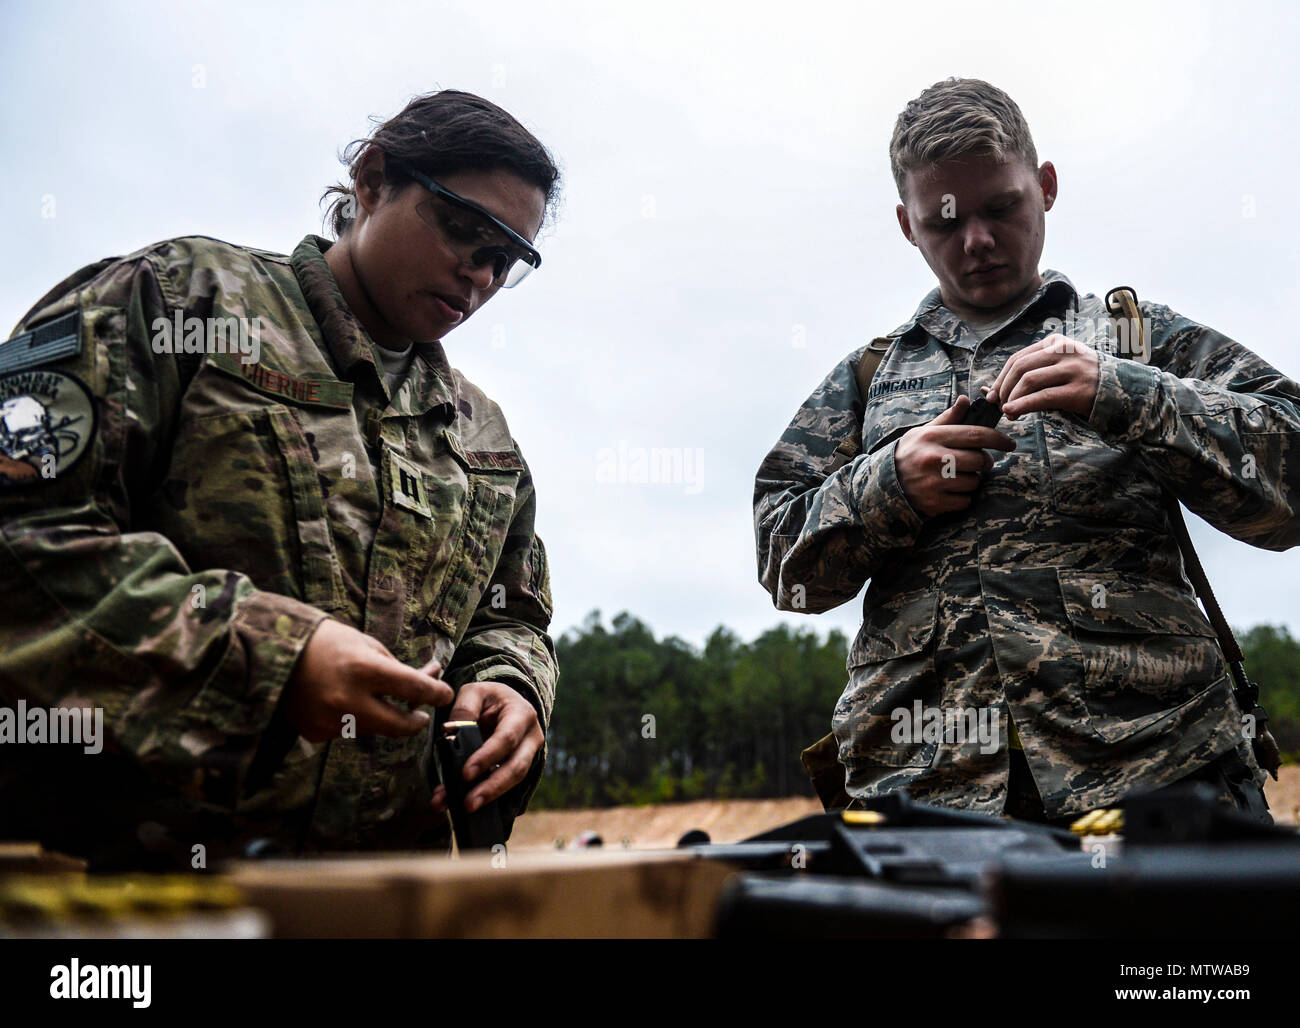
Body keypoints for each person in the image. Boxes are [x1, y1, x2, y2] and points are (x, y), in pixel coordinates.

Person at [0, 90, 561, 867]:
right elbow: (22, 544)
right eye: (464, 229)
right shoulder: (178, 306)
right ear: (371, 181)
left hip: (393, 900)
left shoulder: (483, 434)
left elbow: (511, 617)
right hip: (142, 895)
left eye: (506, 259)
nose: (478, 273)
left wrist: (511, 687)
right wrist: (273, 656)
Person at [753, 77, 1300, 826]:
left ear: (1044, 188)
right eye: (944, 221)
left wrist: (1127, 393)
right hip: (930, 809)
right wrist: (890, 485)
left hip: (1161, 778)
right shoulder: (867, 379)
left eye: (1001, 208)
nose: (975, 241)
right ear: (908, 227)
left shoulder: (1134, 338)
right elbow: (783, 566)